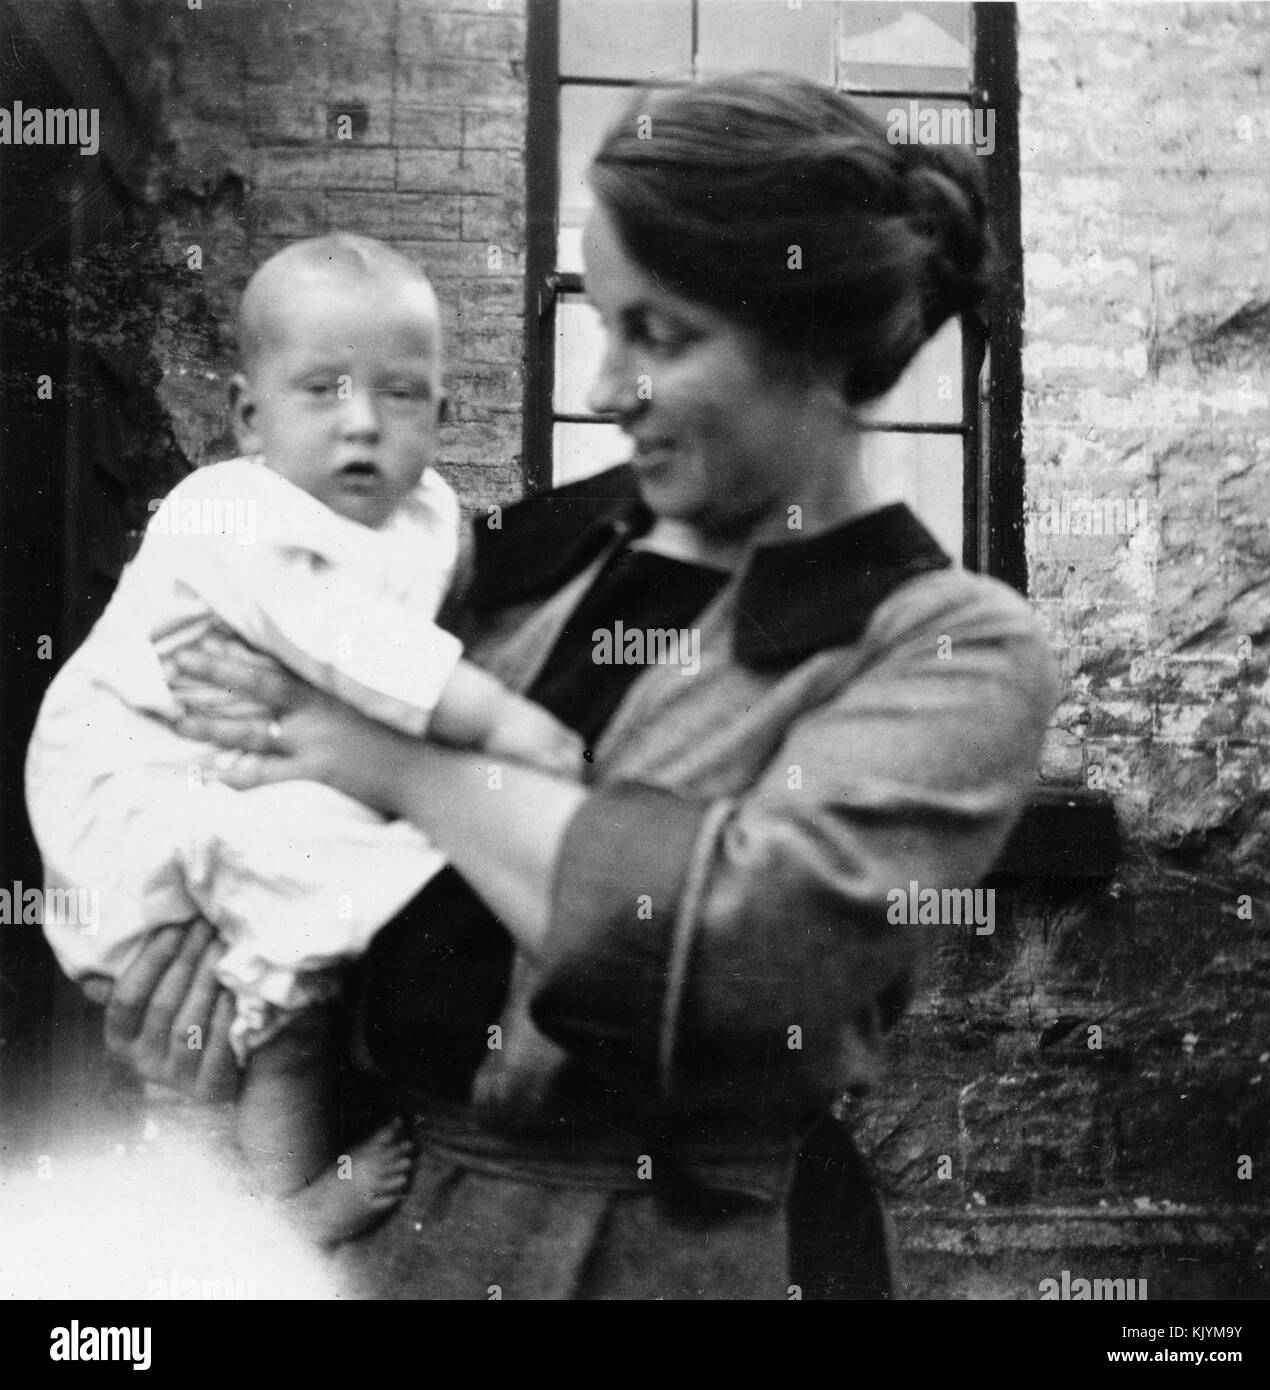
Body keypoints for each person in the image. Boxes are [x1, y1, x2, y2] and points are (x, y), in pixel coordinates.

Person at [98, 74, 1059, 1298]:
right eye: (605, 325)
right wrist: (193, 977)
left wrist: (388, 758)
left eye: (656, 334)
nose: (605, 389)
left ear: (808, 340)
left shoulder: (947, 646)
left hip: (672, 1253)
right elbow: (282, 820)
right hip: (395, 1227)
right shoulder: (522, 557)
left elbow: (726, 955)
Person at [25, 234, 582, 1245]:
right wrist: (496, 720)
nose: (361, 424)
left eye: (401, 394)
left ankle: (256, 1229)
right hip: (136, 791)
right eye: (320, 390)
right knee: (263, 1019)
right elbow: (351, 646)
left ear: (445, 412)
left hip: (237, 794)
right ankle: (283, 1225)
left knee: (273, 1018)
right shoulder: (235, 511)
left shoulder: (429, 525)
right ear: (248, 415)